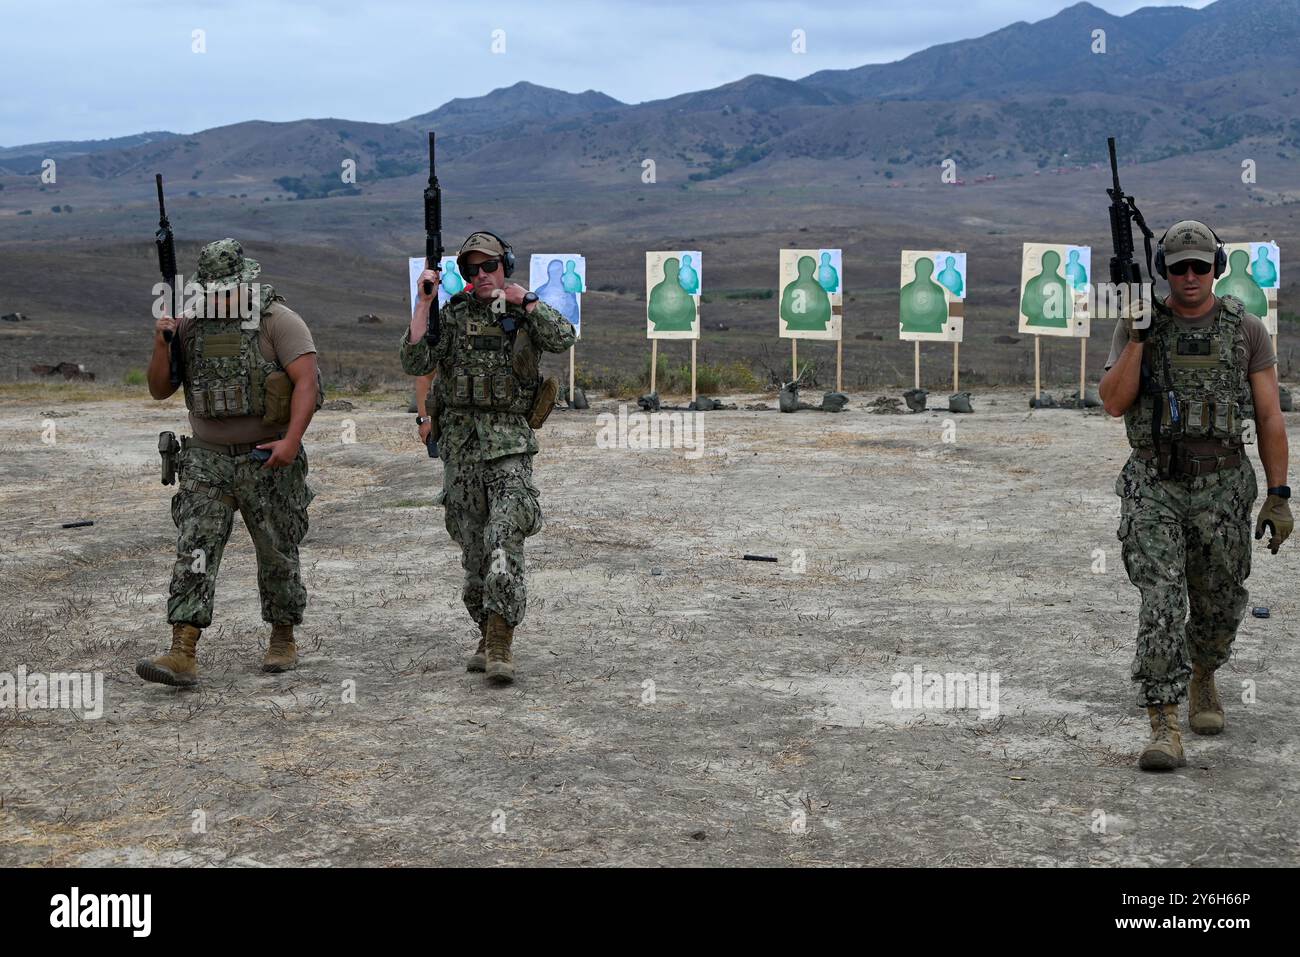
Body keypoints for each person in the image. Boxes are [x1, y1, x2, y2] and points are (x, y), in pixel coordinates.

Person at [1099, 220, 1291, 770]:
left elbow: (1271, 415)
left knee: (1222, 601)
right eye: (1178, 266)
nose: (1189, 276)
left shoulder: (1247, 329)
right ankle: (1163, 720)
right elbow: (1113, 403)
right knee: (1161, 599)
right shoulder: (1139, 326)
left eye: (1199, 266)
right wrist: (1137, 338)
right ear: (1164, 270)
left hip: (1224, 485)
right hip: (1155, 484)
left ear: (1216, 268)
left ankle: (1204, 671)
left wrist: (1278, 494)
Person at [138, 239, 321, 686]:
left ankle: (282, 638)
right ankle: (182, 649)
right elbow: (159, 389)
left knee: (276, 551)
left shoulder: (278, 321)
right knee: (196, 548)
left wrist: (291, 442)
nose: (220, 297)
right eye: (213, 289)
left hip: (266, 455)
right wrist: (162, 343)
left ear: (247, 281)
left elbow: (307, 384)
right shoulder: (189, 326)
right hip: (206, 459)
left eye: (229, 288)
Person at [400, 231, 575, 684]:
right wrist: (424, 302)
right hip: (460, 448)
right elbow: (415, 360)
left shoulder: (523, 310)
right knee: (474, 549)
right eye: (471, 269)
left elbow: (563, 339)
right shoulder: (452, 315)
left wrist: (529, 301)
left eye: (489, 267)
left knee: (503, 534)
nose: (481, 276)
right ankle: (484, 628)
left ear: (506, 266)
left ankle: (501, 639)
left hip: (509, 447)